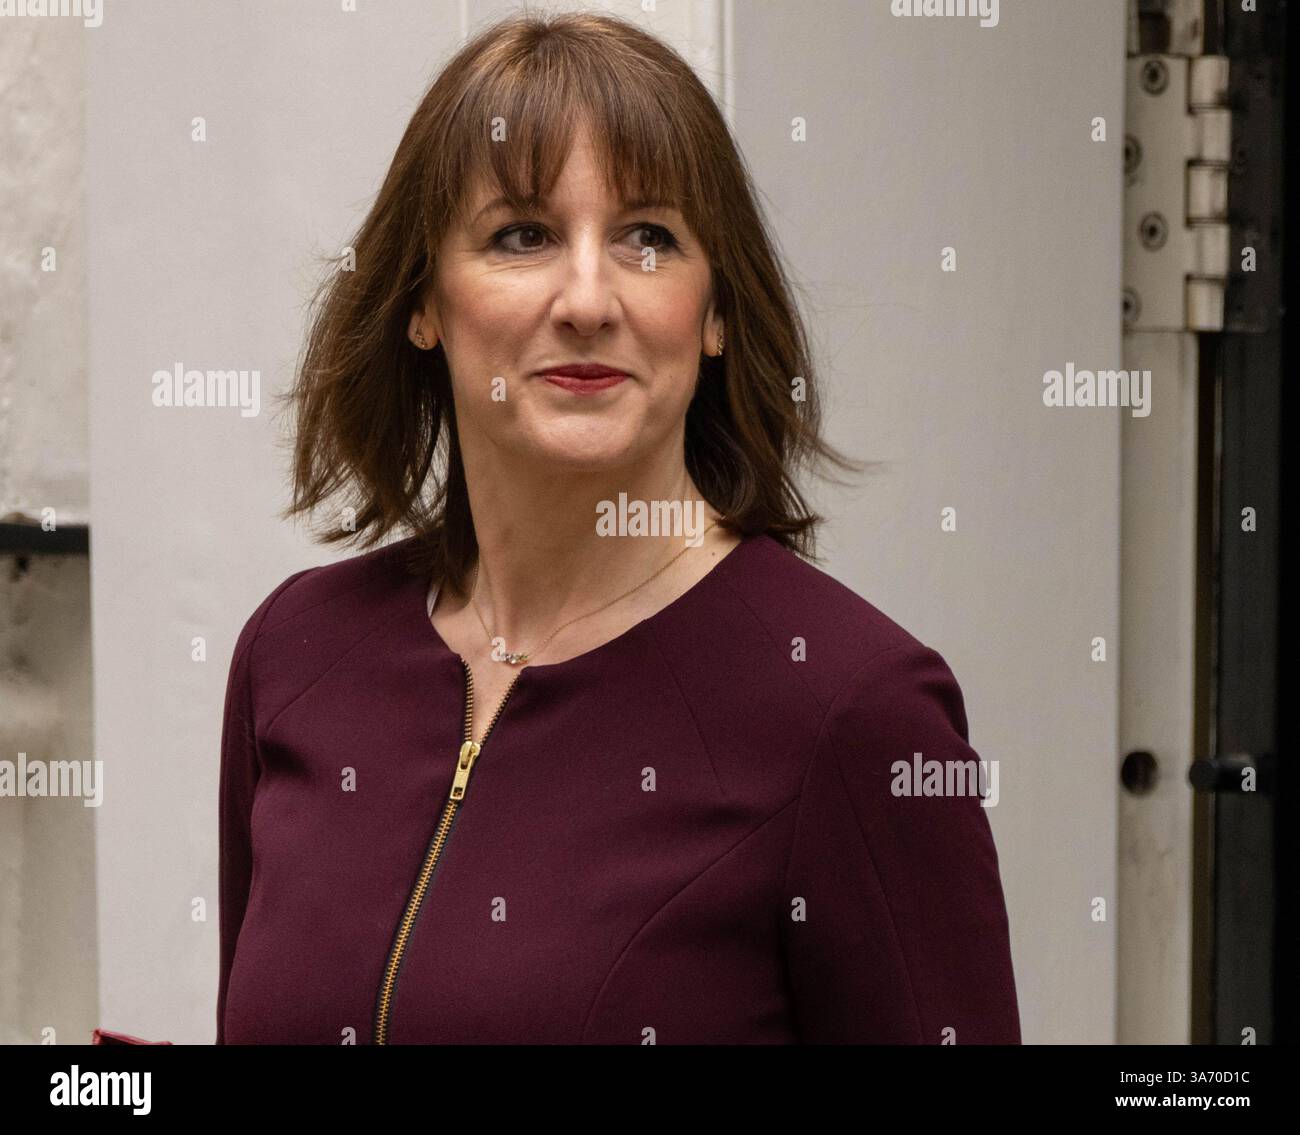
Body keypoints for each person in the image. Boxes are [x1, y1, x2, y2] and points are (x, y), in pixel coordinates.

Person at [216, 10, 1020, 1045]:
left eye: (649, 238)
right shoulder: (297, 654)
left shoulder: (853, 711)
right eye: (522, 235)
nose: (588, 299)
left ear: (717, 310)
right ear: (423, 300)